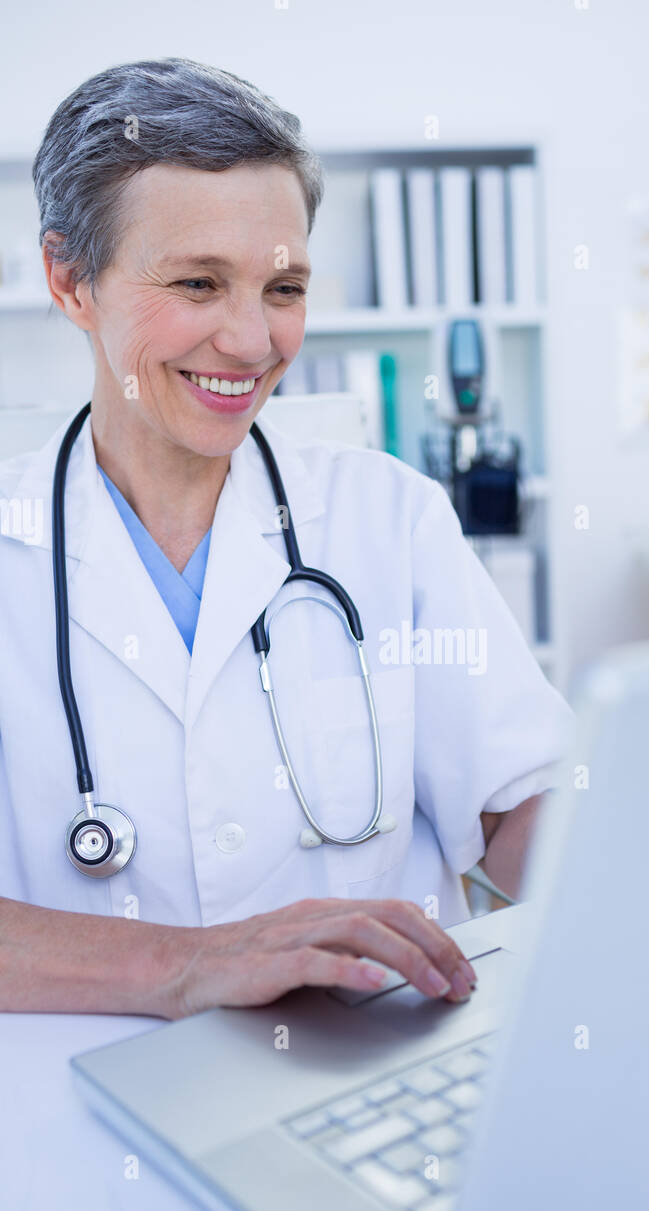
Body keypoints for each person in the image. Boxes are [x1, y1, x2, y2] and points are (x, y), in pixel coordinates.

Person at [0, 59, 574, 1020]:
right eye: (196, 281)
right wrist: (190, 962)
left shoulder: (391, 519)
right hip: (71, 1104)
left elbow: (515, 803)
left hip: (369, 1079)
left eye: (284, 287)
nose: (252, 341)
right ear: (70, 280)